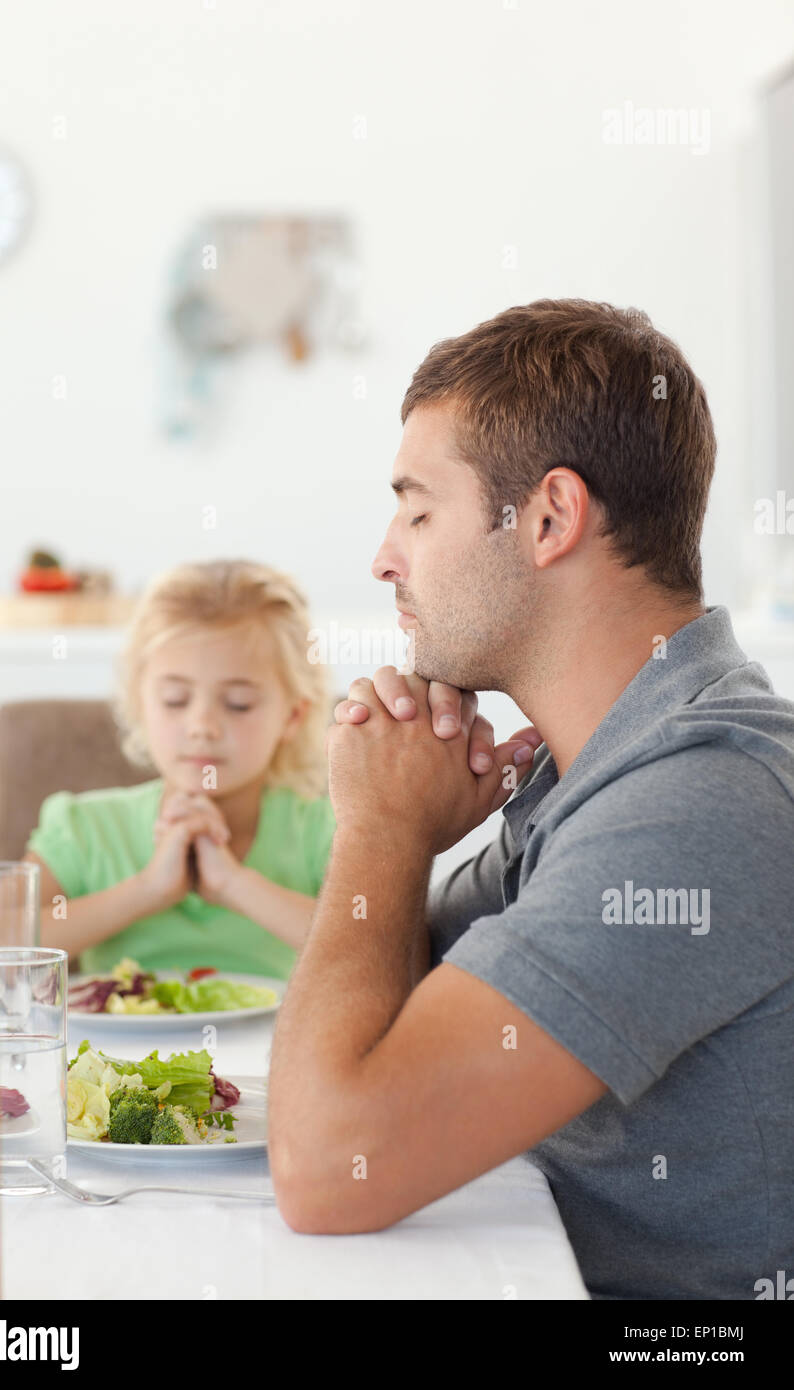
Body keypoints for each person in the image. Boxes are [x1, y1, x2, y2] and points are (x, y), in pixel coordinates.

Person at [267, 298, 794, 1301]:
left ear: (547, 517)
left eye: (418, 510)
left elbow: (332, 1161)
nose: (384, 557)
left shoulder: (697, 801)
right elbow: (384, 1007)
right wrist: (403, 831)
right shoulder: (598, 767)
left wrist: (381, 829)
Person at [25, 558, 336, 979]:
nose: (202, 727)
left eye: (238, 704)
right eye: (174, 699)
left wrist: (235, 884)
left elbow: (387, 962)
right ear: (141, 703)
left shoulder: (325, 830)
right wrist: (147, 890)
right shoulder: (86, 829)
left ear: (293, 716)